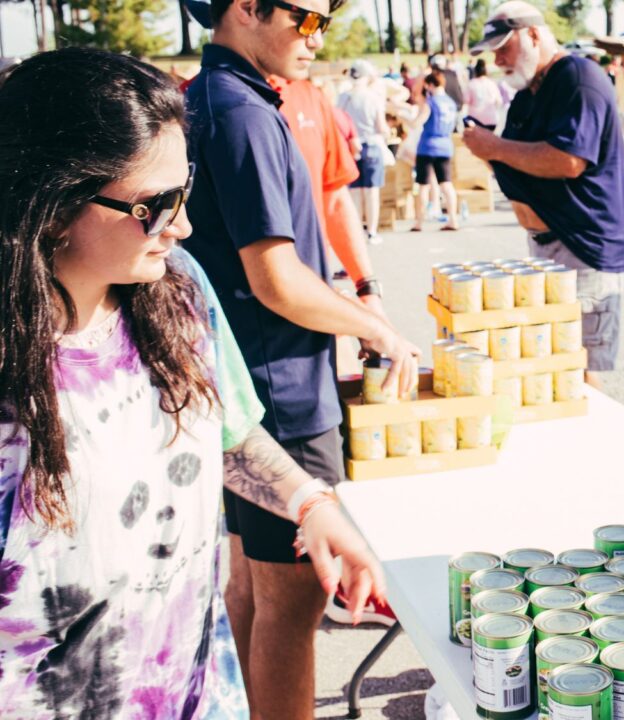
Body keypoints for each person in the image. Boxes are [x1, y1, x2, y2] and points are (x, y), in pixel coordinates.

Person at [0, 46, 384, 715]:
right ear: (52, 203)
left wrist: (309, 503)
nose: (183, 224)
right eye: (155, 205)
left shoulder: (178, 288)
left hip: (197, 692)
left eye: (187, 189)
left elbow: (225, 429)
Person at [184, 1, 421, 717]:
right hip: (279, 395)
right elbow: (277, 280)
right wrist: (378, 330)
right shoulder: (242, 112)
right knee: (292, 606)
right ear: (246, 8)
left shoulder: (219, 96)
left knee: (253, 591)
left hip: (248, 391)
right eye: (308, 19)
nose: (318, 37)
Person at [463, 1, 624, 387]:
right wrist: (487, 148)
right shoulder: (528, 92)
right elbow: (516, 161)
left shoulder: (578, 78)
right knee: (556, 365)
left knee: (580, 371)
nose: (498, 60)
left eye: (504, 48)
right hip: (547, 245)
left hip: (583, 246)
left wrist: (493, 147)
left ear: (533, 35)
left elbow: (569, 160)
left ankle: (596, 427)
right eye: (493, 52)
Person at [337, 60, 393, 245]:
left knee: (354, 194)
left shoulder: (343, 98)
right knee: (371, 193)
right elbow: (381, 127)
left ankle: (356, 232)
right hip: (371, 145)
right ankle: (372, 231)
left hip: (350, 148)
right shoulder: (373, 97)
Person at [413, 71, 462, 232]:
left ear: (430, 85)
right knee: (446, 184)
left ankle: (419, 222)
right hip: (445, 144)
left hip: (428, 145)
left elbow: (419, 121)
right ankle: (453, 219)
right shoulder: (451, 103)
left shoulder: (431, 102)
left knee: (423, 185)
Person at [464, 58, 505, 130]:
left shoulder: (471, 84)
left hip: (475, 120)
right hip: (491, 120)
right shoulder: (491, 84)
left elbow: (465, 100)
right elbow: (499, 101)